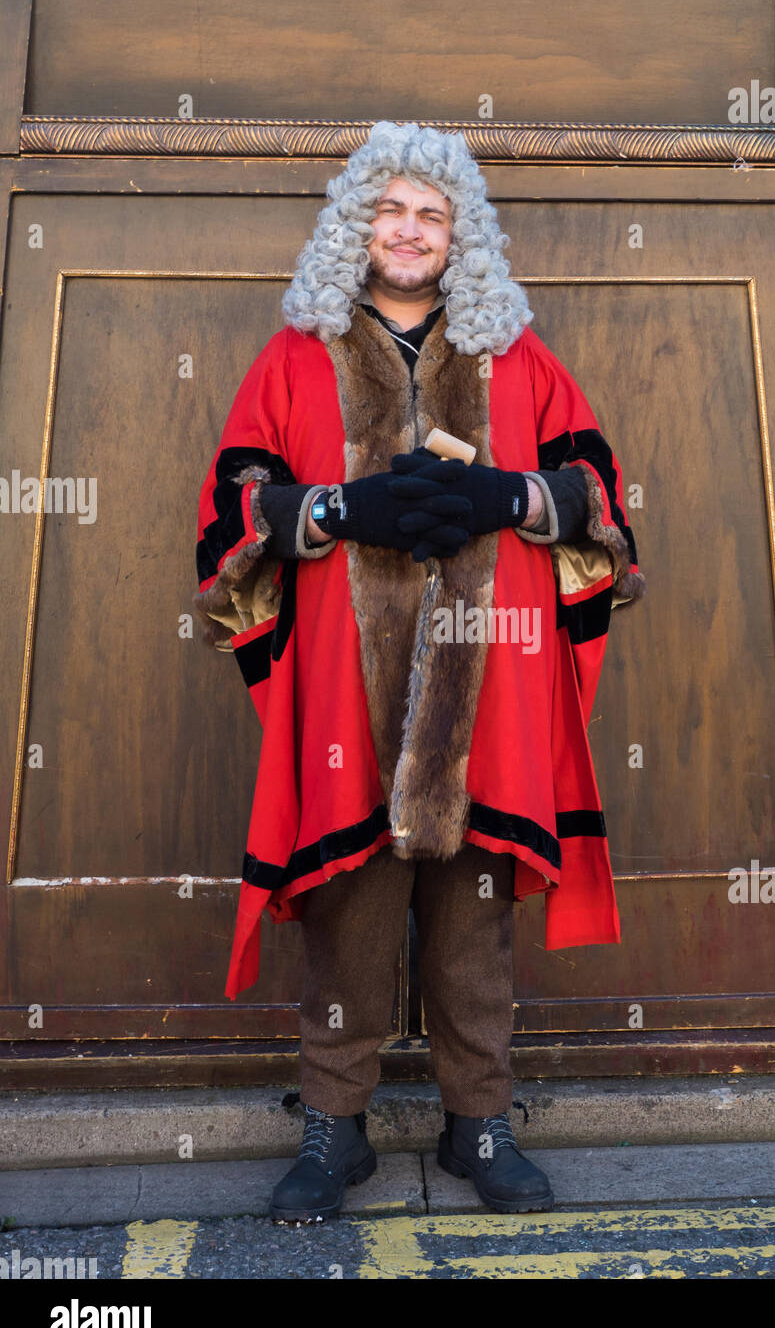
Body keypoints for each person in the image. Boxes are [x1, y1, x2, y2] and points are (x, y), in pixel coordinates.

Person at [193, 121, 645, 1222]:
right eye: (389, 209)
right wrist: (331, 510)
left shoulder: (516, 357)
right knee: (344, 908)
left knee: (473, 917)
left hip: (490, 683)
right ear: (359, 223)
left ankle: (478, 1124)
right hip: (343, 691)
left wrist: (514, 498)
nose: (408, 230)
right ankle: (331, 1131)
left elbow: (600, 500)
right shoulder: (295, 356)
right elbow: (229, 520)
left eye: (430, 213)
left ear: (460, 235)